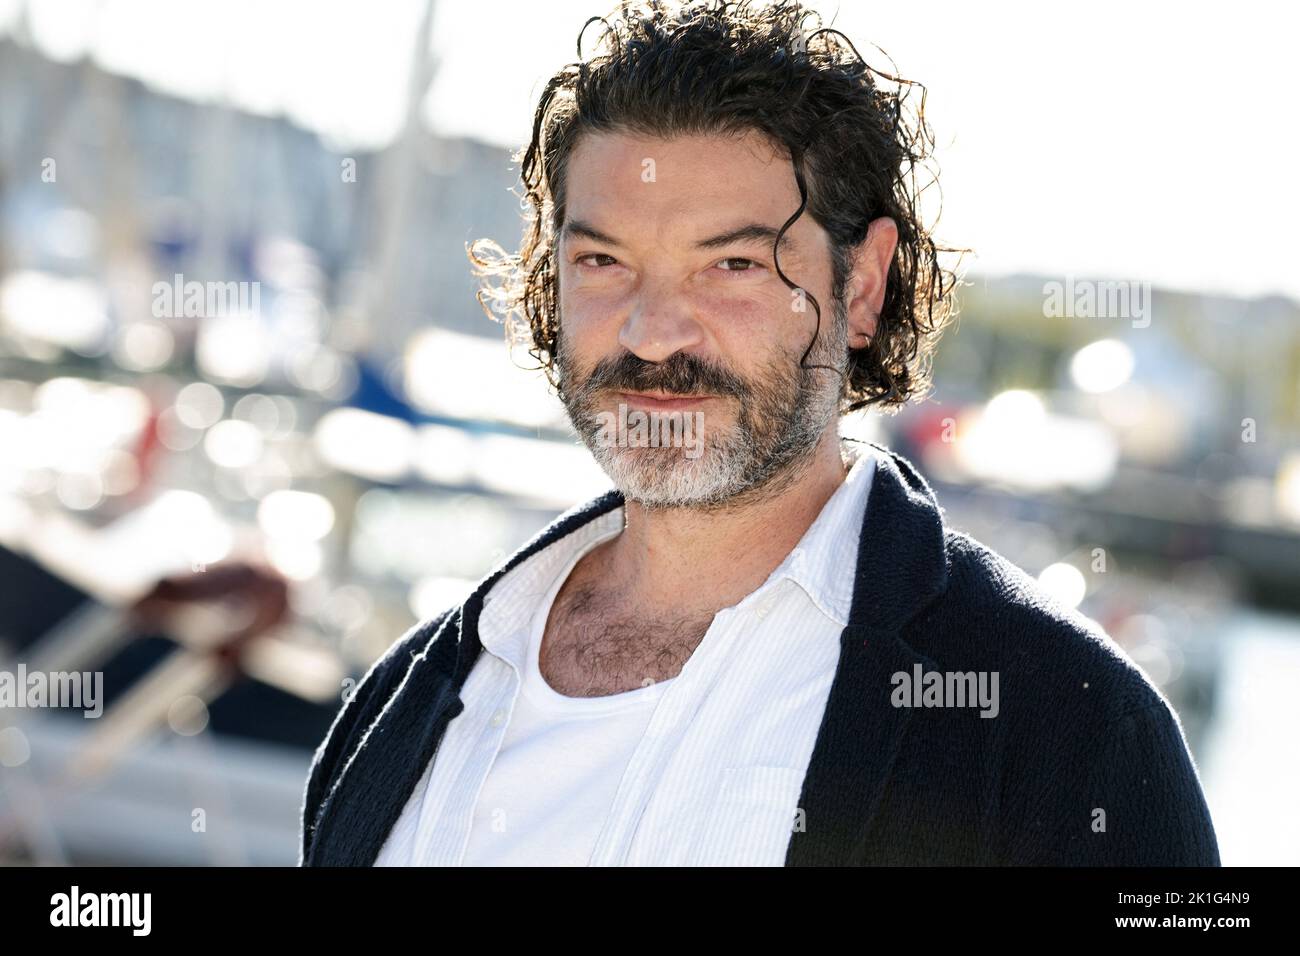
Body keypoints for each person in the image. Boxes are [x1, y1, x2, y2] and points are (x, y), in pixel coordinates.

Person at [299, 0, 1219, 866]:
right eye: (603, 260)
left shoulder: (1068, 728)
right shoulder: (409, 702)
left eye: (733, 264)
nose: (653, 333)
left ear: (860, 288)